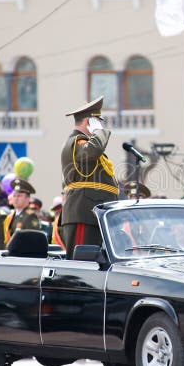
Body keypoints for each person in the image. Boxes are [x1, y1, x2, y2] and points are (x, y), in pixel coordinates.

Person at [60, 96, 118, 258]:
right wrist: (99, 132)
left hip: (92, 213)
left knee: (91, 264)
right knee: (81, 264)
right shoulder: (77, 141)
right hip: (83, 212)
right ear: (89, 122)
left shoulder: (83, 142)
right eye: (98, 121)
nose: (101, 125)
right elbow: (93, 151)